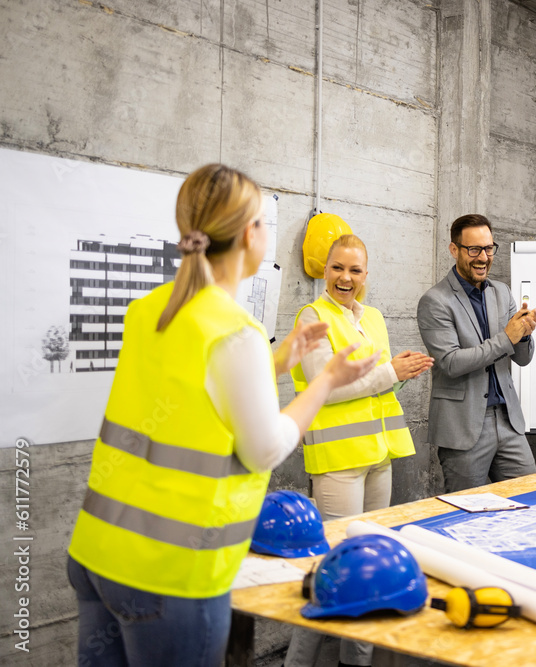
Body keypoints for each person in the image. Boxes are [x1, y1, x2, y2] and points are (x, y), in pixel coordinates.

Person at [66, 164, 380, 667]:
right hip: (171, 574)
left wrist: (279, 360)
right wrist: (326, 381)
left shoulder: (149, 309)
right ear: (248, 234)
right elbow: (266, 448)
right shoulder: (236, 333)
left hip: (97, 554)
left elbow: (195, 393)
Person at [284, 233, 433, 667]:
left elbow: (375, 386)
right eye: (337, 268)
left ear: (365, 275)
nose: (345, 278)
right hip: (337, 464)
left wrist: (403, 372)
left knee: (365, 569)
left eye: (354, 270)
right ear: (324, 270)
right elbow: (324, 388)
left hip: (377, 457)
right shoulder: (311, 316)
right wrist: (390, 371)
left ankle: (356, 663)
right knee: (327, 572)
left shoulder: (373, 318)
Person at [417, 214, 536, 492]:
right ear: (454, 250)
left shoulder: (501, 292)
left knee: (531, 498)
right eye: (474, 249)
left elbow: (522, 358)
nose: (483, 257)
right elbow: (450, 363)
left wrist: (524, 335)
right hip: (464, 428)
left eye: (488, 249)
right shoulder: (435, 301)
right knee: (466, 513)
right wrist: (507, 337)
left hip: (509, 421)